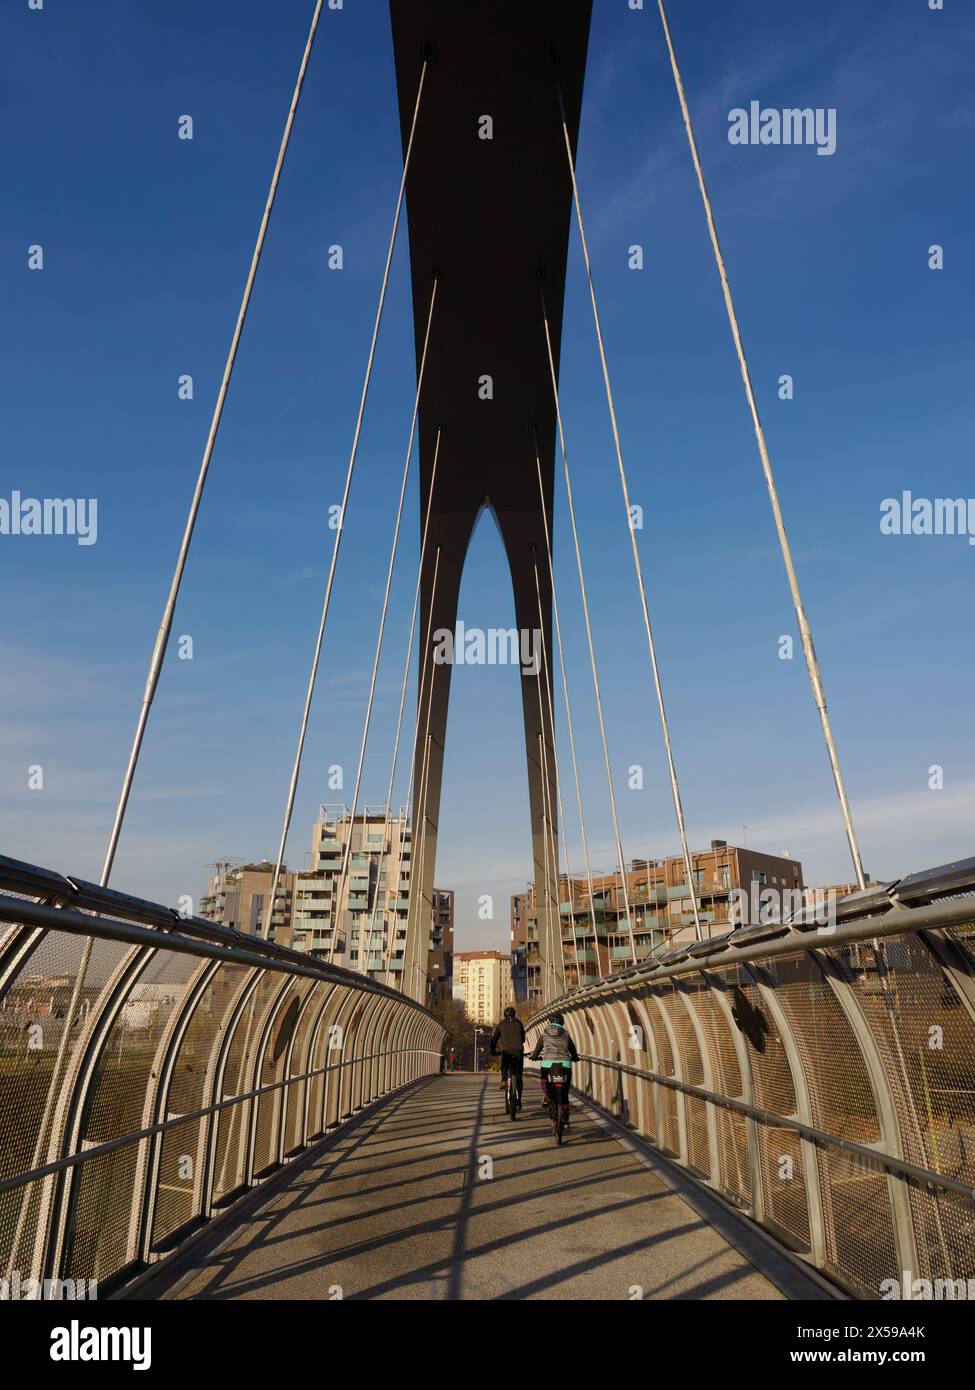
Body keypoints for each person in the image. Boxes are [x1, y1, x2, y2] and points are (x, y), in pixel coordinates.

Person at [530, 1012, 578, 1126]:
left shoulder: (544, 1034)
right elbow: (573, 1049)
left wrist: (534, 1057)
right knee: (565, 1092)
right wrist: (575, 1058)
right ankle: (566, 1119)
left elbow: (537, 1049)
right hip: (565, 1064)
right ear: (562, 1022)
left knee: (544, 1079)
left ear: (550, 1023)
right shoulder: (566, 1034)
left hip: (547, 1064)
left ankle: (547, 1094)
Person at [490, 1006, 525, 1110]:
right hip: (518, 1051)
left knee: (504, 1066)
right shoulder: (519, 1023)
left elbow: (494, 1040)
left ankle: (503, 1080)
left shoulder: (501, 1024)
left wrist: (493, 1051)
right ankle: (518, 1100)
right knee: (519, 1076)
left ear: (504, 1015)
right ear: (514, 1014)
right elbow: (523, 1038)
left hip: (506, 1051)